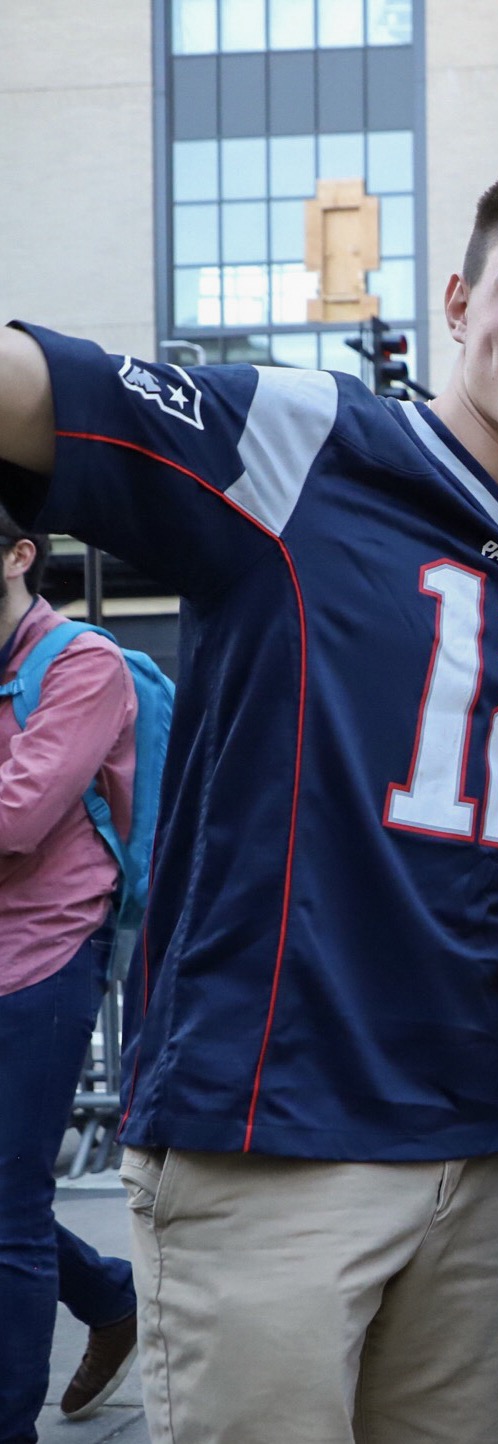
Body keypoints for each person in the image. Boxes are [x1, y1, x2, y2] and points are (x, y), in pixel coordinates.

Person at [0, 162, 498, 1444]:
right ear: (461, 302)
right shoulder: (306, 436)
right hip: (271, 1132)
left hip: (473, 1141)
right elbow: (38, 388)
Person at [0, 515, 139, 1442]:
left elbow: (18, 817)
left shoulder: (84, 662)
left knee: (8, 1208)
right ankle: (108, 1293)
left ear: (18, 555)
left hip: (45, 955)